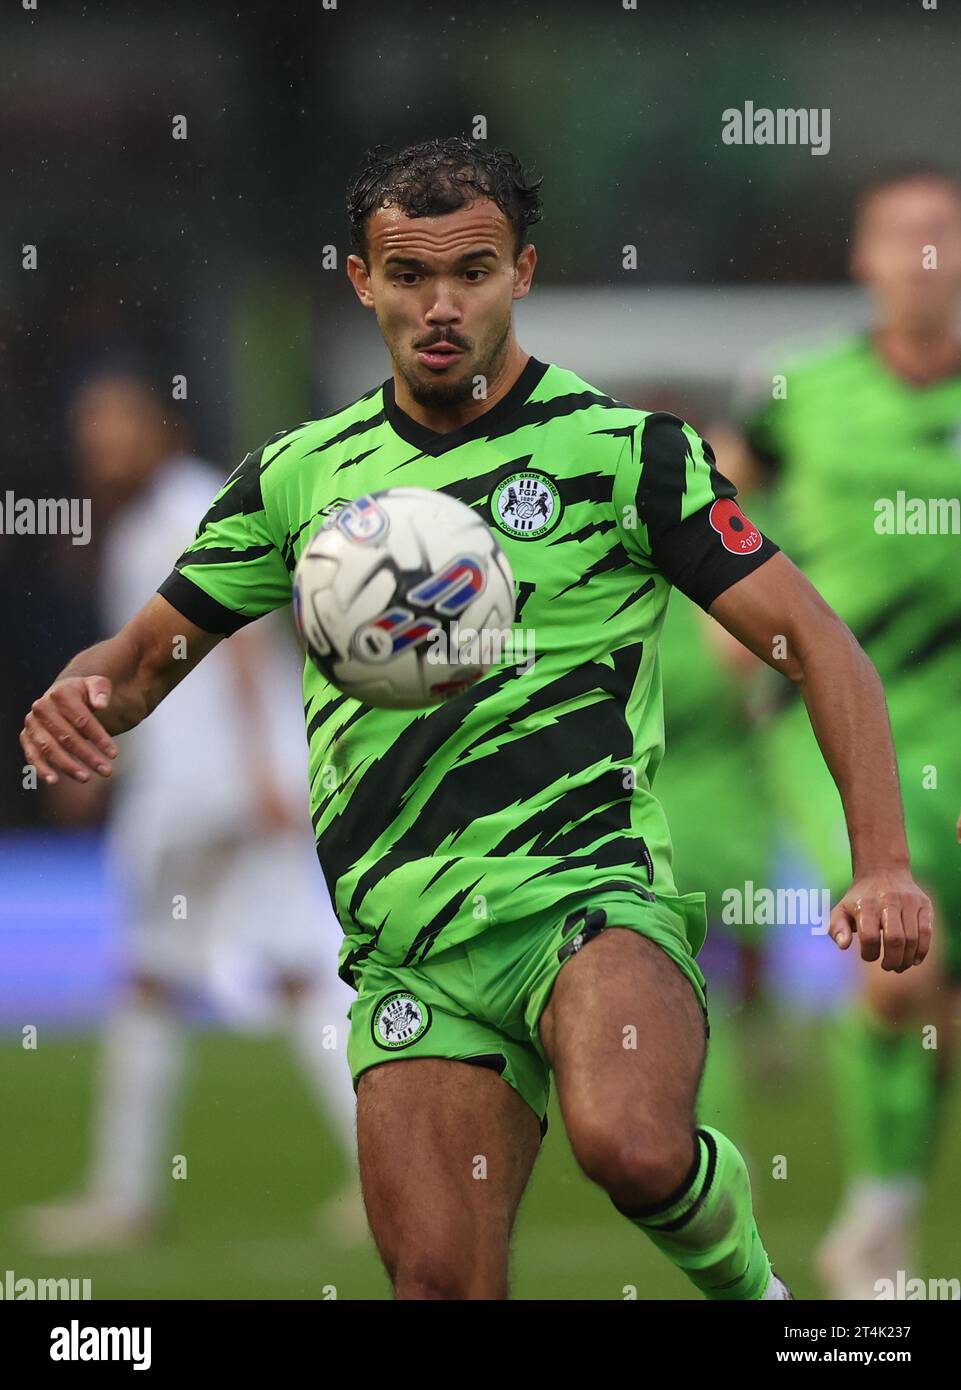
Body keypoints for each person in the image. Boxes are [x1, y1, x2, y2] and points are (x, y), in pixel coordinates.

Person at [21, 137, 932, 1300]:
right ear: (361, 282)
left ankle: (769, 1302)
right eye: (409, 277)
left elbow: (821, 644)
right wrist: (83, 692)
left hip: (590, 898)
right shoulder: (299, 478)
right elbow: (146, 658)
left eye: (475, 271)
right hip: (410, 945)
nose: (441, 305)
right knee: (442, 1283)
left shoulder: (624, 456)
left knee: (634, 1143)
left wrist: (882, 863)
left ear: (523, 272)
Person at [19, 372, 363, 1253]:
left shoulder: (181, 510)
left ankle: (124, 1198)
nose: (103, 449)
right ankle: (380, 1175)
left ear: (159, 427)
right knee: (283, 974)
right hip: (214, 783)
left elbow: (241, 635)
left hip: (213, 791)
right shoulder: (165, 510)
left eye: (117, 428)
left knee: (156, 981)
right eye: (91, 434)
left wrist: (263, 769)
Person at [738, 166, 961, 1298]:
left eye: (942, 233)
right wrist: (735, 612)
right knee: (895, 962)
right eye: (901, 236)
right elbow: (735, 488)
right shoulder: (800, 390)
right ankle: (876, 1226)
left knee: (942, 1003)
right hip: (838, 715)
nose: (923, 254)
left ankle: (885, 1224)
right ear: (863, 260)